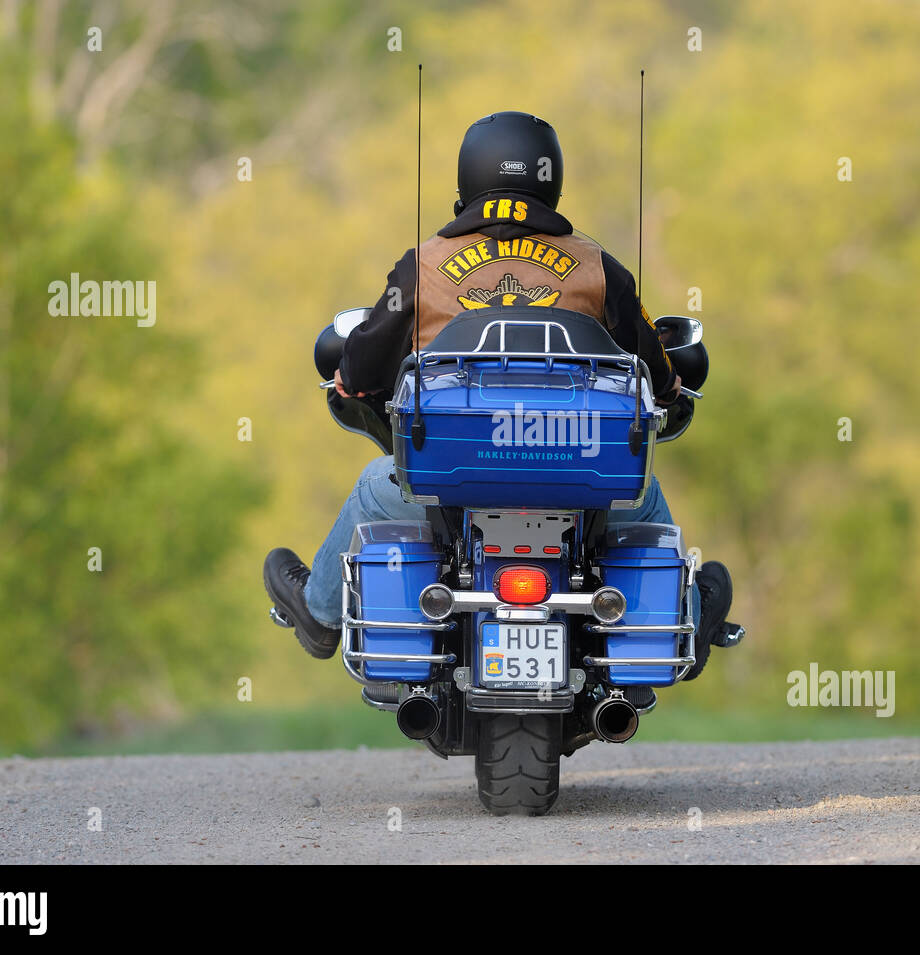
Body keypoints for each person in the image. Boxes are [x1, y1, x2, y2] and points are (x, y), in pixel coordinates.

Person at [264, 111, 738, 679]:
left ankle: (321, 617)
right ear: (551, 179)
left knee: (374, 485)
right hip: (584, 482)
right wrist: (671, 380)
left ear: (467, 180)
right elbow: (658, 375)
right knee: (645, 498)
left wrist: (352, 377)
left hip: (448, 489)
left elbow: (361, 365)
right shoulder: (598, 267)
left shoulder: (424, 264)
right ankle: (684, 615)